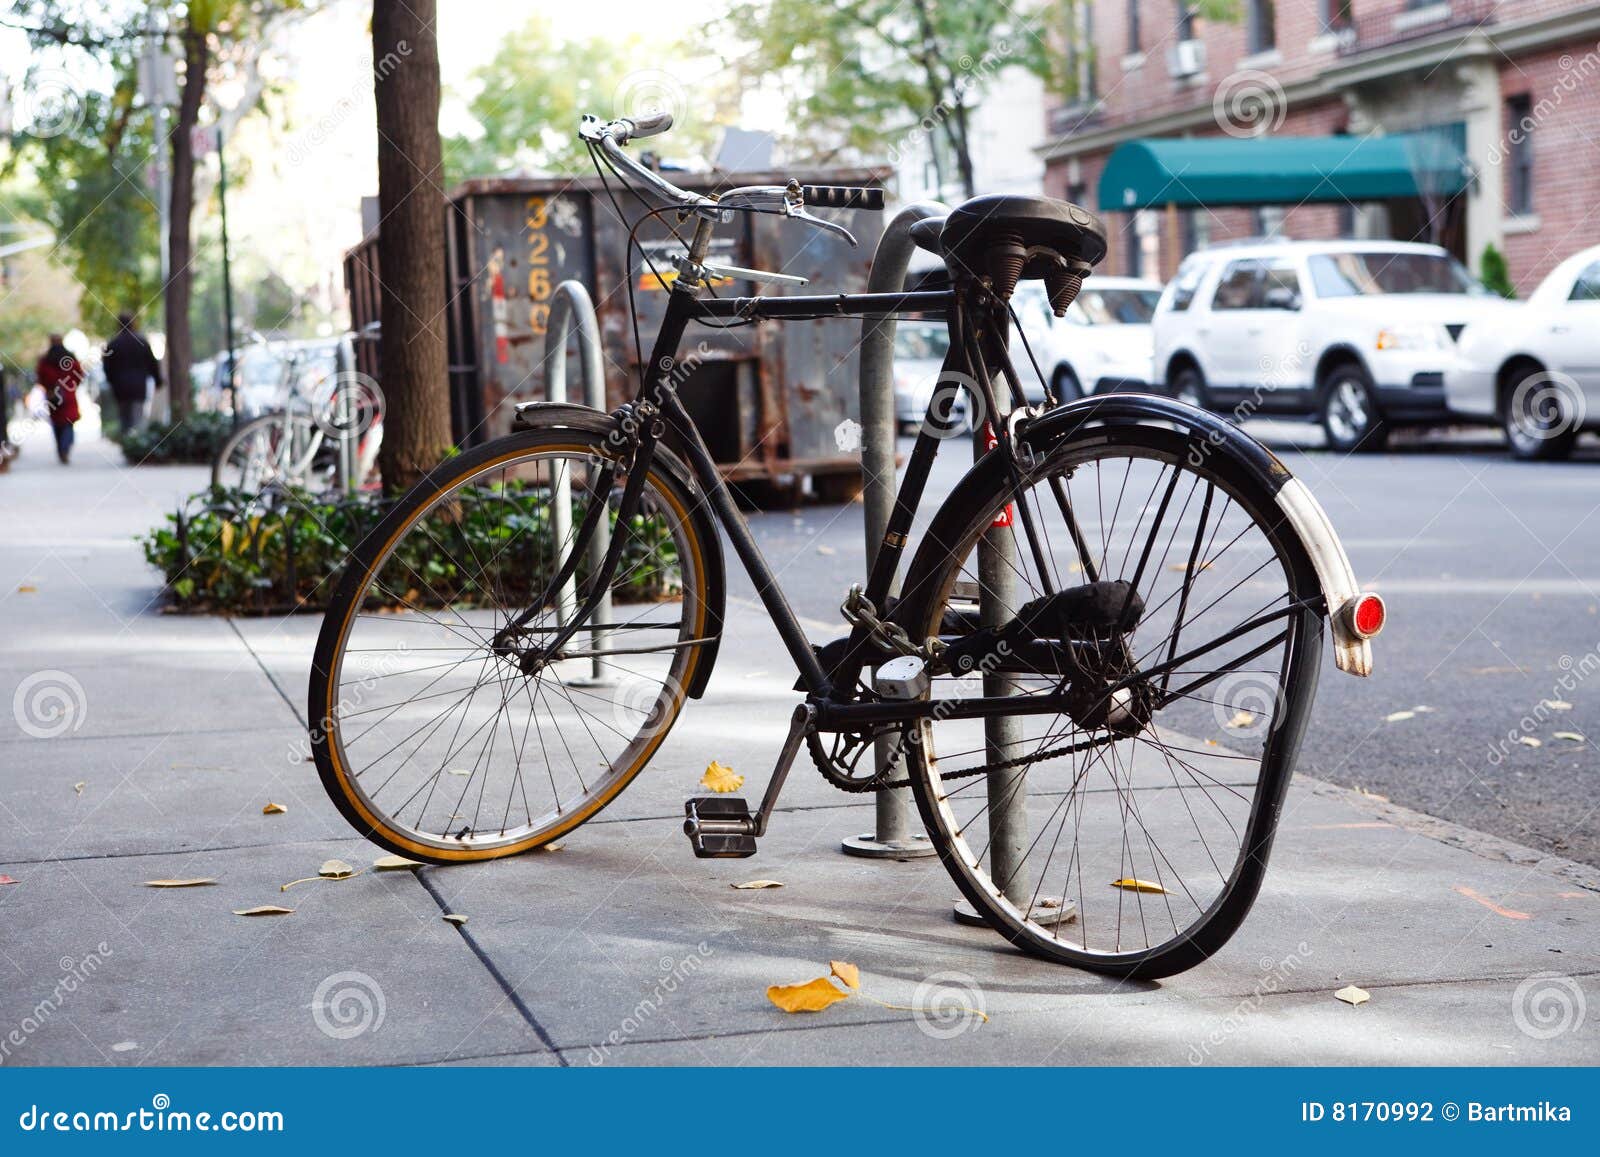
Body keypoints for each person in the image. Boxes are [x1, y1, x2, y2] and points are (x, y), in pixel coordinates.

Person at [102, 311, 162, 432]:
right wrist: (158, 380)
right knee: (137, 419)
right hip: (138, 386)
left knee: (124, 419)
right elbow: (152, 363)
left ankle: (127, 441)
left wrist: (112, 381)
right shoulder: (142, 342)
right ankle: (135, 442)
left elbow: (107, 367)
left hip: (120, 388)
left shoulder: (113, 344)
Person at [36, 335, 82, 465]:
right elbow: (79, 374)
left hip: (53, 395)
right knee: (68, 423)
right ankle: (64, 449)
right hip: (68, 394)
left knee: (58, 424)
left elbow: (40, 377)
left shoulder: (45, 360)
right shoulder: (70, 358)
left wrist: (50, 387)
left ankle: (62, 449)